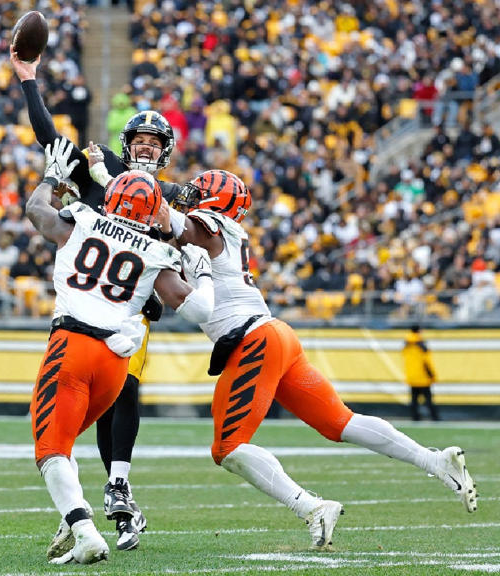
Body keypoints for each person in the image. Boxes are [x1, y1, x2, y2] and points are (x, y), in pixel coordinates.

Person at [158, 169, 477, 548]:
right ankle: (434, 462)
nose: (189, 198)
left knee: (227, 447)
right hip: (274, 335)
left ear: (214, 202)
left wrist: (117, 176)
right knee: (339, 421)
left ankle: (310, 506)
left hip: (254, 340)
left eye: (197, 193)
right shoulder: (223, 231)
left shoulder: (209, 224)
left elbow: (161, 213)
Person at [11, 47, 181, 551]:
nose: (147, 148)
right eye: (141, 141)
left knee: (118, 391)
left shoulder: (168, 196)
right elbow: (52, 143)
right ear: (126, 145)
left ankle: (114, 486)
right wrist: (29, 81)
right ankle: (88, 501)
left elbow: (191, 230)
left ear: (165, 150)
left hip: (128, 310)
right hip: (89, 298)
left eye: (156, 142)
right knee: (75, 411)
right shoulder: (101, 164)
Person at [25, 138, 213, 564]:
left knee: (50, 446)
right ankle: (74, 513)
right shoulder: (157, 249)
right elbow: (197, 307)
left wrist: (53, 178)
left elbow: (38, 213)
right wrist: (201, 273)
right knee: (66, 442)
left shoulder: (85, 218)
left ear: (110, 195)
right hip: (116, 362)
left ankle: (84, 529)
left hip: (72, 345)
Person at [403, 325, 439, 421]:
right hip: (423, 377)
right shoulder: (421, 345)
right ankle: (435, 418)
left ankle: (415, 418)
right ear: (418, 331)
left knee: (414, 400)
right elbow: (426, 361)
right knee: (428, 400)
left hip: (411, 377)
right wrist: (432, 375)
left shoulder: (406, 344)